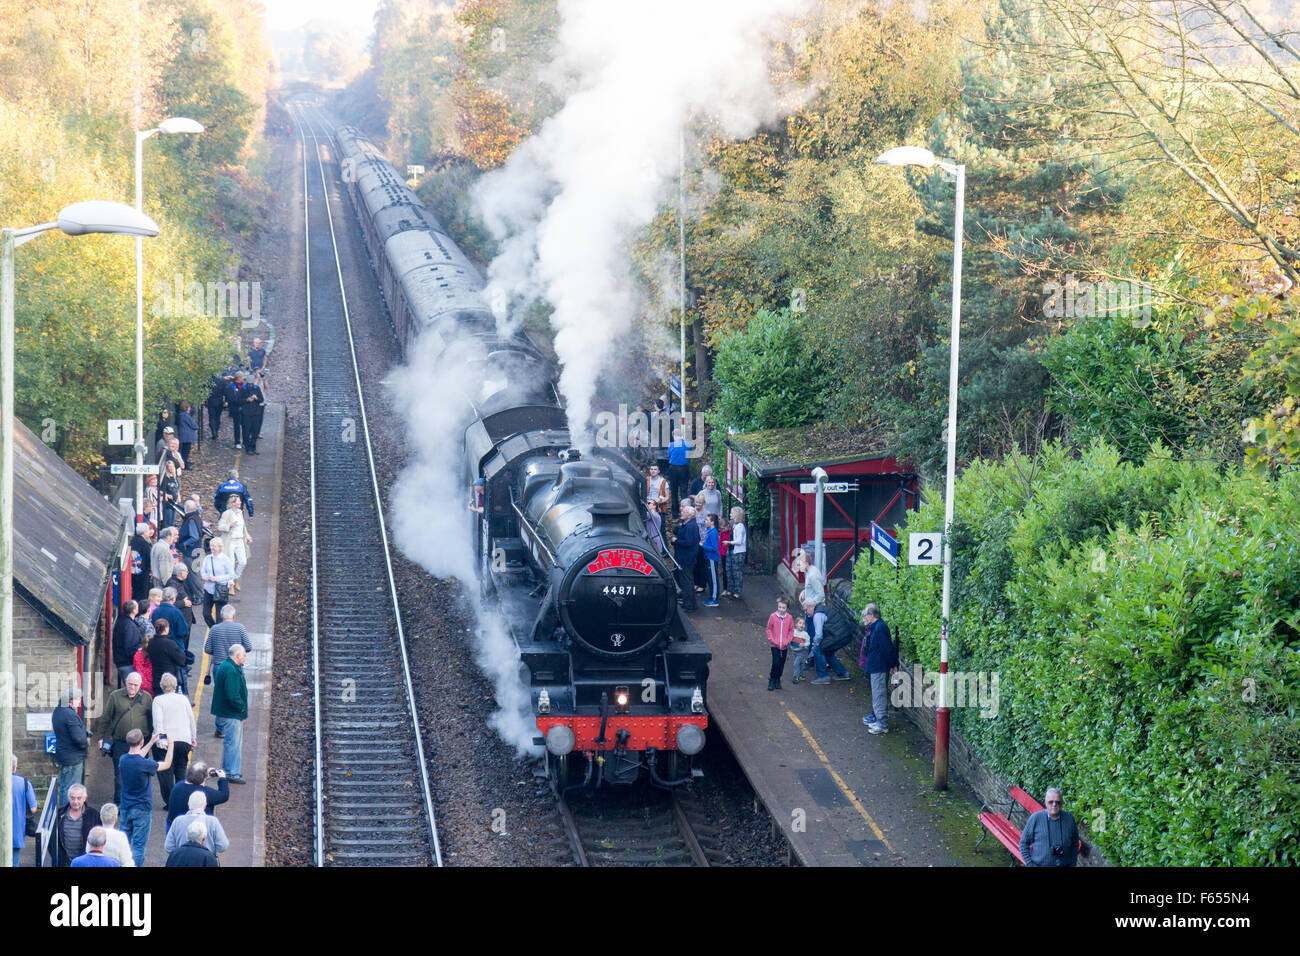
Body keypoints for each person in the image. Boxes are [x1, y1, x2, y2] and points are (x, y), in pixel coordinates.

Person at [95, 672, 153, 805]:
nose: (132, 687)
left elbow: (151, 720)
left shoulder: (147, 698)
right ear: (125, 682)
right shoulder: (115, 696)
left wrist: (151, 741)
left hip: (140, 744)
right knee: (120, 774)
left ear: (140, 685)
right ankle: (120, 802)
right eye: (130, 684)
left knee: (140, 773)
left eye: (135, 685)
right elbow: (106, 718)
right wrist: (101, 737)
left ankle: (138, 801)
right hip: (120, 743)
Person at [119, 728, 174, 867]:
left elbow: (137, 756)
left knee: (124, 843)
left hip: (126, 807)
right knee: (138, 846)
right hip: (142, 808)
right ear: (141, 741)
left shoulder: (123, 760)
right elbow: (166, 764)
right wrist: (171, 744)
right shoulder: (146, 764)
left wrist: (151, 742)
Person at [152, 672, 196, 805]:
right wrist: (193, 737)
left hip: (167, 742)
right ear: (175, 685)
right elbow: (191, 719)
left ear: (161, 686)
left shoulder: (158, 700)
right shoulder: (183, 699)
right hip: (184, 740)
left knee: (165, 772)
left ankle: (171, 802)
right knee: (181, 768)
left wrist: (161, 740)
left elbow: (158, 722)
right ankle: (183, 799)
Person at [212, 644, 249, 784]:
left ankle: (229, 770)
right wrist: (242, 709)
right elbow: (232, 695)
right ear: (237, 656)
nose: (245, 657)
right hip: (231, 714)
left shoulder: (226, 666)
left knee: (231, 742)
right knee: (233, 744)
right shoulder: (231, 670)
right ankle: (231, 773)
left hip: (225, 712)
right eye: (244, 655)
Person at [859, 603, 897, 735]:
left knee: (879, 694)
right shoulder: (876, 627)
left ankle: (882, 724)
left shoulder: (879, 628)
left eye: (866, 614)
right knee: (877, 694)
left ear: (871, 615)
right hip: (876, 666)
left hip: (879, 667)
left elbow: (887, 648)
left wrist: (893, 664)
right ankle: (879, 721)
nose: (864, 617)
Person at [1019, 788, 1081, 867]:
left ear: (1061, 803)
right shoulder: (1035, 818)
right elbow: (1023, 843)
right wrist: (1030, 864)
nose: (1054, 804)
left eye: (1057, 802)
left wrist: (1073, 863)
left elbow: (1075, 844)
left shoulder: (1069, 819)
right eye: (1051, 802)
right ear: (1045, 803)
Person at [52, 687, 88, 805]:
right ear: (71, 701)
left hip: (63, 755)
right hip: (73, 758)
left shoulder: (58, 711)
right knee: (71, 790)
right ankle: (67, 816)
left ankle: (63, 814)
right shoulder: (70, 715)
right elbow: (79, 740)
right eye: (78, 700)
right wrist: (85, 740)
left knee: (64, 788)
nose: (79, 703)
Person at [165, 790, 229, 856]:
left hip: (182, 860)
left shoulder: (177, 821)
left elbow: (169, 847)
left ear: (189, 804)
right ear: (205, 805)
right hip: (206, 860)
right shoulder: (212, 821)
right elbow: (222, 846)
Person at [166, 762, 230, 829]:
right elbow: (224, 795)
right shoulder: (203, 793)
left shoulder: (178, 786)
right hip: (194, 830)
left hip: (173, 827)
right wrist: (223, 778)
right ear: (203, 777)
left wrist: (204, 777)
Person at [803, 600, 851, 685]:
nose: (806, 613)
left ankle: (823, 676)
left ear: (811, 607)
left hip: (838, 635)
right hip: (845, 634)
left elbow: (818, 635)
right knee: (827, 651)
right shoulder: (822, 610)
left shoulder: (817, 615)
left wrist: (815, 644)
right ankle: (843, 673)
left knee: (818, 649)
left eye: (806, 610)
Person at [52, 784, 101, 867]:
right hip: (64, 863)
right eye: (72, 798)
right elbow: (51, 839)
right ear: (68, 798)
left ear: (85, 798)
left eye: (79, 798)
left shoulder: (94, 815)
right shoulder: (58, 814)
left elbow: (100, 838)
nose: (75, 801)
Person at [218, 494, 251, 591]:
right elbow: (220, 526)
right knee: (231, 563)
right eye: (238, 501)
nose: (240, 502)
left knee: (243, 561)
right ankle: (231, 584)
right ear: (233, 503)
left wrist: (247, 536)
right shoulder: (227, 514)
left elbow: (243, 527)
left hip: (240, 540)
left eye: (240, 501)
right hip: (230, 541)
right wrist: (229, 525)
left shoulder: (240, 513)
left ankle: (236, 578)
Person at [671, 502, 700, 612]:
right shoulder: (687, 524)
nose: (681, 513)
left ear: (689, 514)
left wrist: (676, 540)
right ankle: (689, 603)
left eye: (684, 512)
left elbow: (689, 542)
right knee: (686, 581)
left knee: (687, 581)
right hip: (683, 557)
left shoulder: (691, 526)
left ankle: (689, 605)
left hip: (686, 558)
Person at [147, 618, 187, 696]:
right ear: (166, 629)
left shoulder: (151, 642)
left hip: (156, 679)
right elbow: (181, 660)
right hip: (169, 680)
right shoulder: (169, 644)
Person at [205, 605, 253, 671]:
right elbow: (248, 647)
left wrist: (217, 652)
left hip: (219, 666)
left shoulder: (214, 629)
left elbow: (207, 649)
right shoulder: (240, 628)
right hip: (235, 666)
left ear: (221, 615)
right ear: (234, 615)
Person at [201, 538, 235, 628]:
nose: (212, 548)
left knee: (220, 617)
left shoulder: (225, 559)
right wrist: (206, 577)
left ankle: (218, 632)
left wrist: (217, 579)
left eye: (214, 546)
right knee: (206, 614)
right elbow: (202, 572)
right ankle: (214, 629)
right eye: (211, 545)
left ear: (220, 547)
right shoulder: (207, 558)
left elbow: (231, 575)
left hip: (221, 590)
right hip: (208, 590)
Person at [10, 755, 37, 866]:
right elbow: (33, 808)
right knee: (14, 862)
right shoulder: (24, 783)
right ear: (15, 767)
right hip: (17, 830)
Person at [765, 597, 796, 691]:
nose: (781, 609)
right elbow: (769, 629)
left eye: (783, 608)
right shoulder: (773, 616)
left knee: (781, 664)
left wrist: (788, 640)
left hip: (784, 646)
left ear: (787, 608)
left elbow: (791, 630)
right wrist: (772, 639)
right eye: (780, 607)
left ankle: (778, 679)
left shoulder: (789, 618)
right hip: (775, 645)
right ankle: (772, 679)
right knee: (776, 662)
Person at [794, 546, 825, 638]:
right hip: (811, 610)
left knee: (812, 635)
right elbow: (813, 588)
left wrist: (808, 605)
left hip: (813, 611)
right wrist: (804, 591)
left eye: (800, 564)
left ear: (806, 563)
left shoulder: (812, 575)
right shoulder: (810, 572)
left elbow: (821, 595)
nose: (799, 567)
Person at [112, 601, 144, 688]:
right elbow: (129, 648)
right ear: (133, 610)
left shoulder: (121, 621)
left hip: (121, 662)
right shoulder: (129, 625)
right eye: (137, 607)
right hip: (127, 664)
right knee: (132, 691)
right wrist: (140, 649)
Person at [666, 429, 691, 514]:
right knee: (684, 490)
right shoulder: (687, 444)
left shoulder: (671, 444)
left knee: (674, 490)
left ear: (674, 435)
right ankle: (685, 510)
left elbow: (668, 455)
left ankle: (675, 512)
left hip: (673, 468)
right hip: (684, 468)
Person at [239, 378, 266, 454]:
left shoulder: (257, 388)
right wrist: (247, 400)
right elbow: (239, 400)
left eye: (251, 384)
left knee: (255, 431)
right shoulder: (243, 389)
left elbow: (261, 399)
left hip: (256, 413)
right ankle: (247, 448)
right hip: (246, 413)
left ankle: (253, 447)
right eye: (249, 384)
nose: (250, 385)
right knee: (246, 431)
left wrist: (256, 398)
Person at [225, 370, 250, 449]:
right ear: (239, 378)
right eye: (243, 377)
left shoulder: (245, 386)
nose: (244, 379)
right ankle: (237, 441)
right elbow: (232, 399)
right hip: (236, 409)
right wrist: (244, 400)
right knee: (237, 425)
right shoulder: (231, 387)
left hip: (245, 409)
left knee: (246, 425)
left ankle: (246, 441)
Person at [128, 522, 153, 602]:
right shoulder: (144, 544)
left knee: (135, 592)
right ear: (144, 532)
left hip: (133, 572)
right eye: (148, 530)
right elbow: (148, 559)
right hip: (143, 574)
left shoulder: (133, 542)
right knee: (142, 595)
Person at [726, 506, 746, 598]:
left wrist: (728, 542)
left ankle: (738, 591)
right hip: (731, 551)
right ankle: (731, 590)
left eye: (732, 513)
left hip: (738, 552)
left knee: (737, 572)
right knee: (729, 571)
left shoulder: (740, 526)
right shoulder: (734, 525)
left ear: (736, 515)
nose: (730, 514)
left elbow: (739, 541)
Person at [700, 514, 720, 607]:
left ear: (712, 522)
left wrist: (702, 545)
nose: (705, 522)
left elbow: (715, 548)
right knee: (710, 578)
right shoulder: (710, 531)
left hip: (712, 558)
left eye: (707, 520)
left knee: (713, 579)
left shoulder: (713, 533)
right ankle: (712, 596)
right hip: (708, 558)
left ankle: (714, 599)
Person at [131, 632, 154, 706]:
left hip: (140, 685)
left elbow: (134, 667)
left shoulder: (137, 654)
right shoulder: (154, 655)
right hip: (151, 686)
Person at [159, 460, 181, 528]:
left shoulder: (175, 478)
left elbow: (177, 488)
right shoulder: (165, 478)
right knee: (168, 521)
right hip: (168, 503)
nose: (171, 468)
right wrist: (167, 495)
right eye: (169, 467)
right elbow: (160, 489)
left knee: (172, 521)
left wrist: (179, 496)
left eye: (172, 466)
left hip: (174, 502)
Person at [176, 402, 199, 467]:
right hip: (187, 436)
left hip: (184, 435)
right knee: (186, 450)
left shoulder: (181, 415)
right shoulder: (185, 415)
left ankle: (185, 462)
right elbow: (193, 424)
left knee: (184, 450)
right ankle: (185, 463)